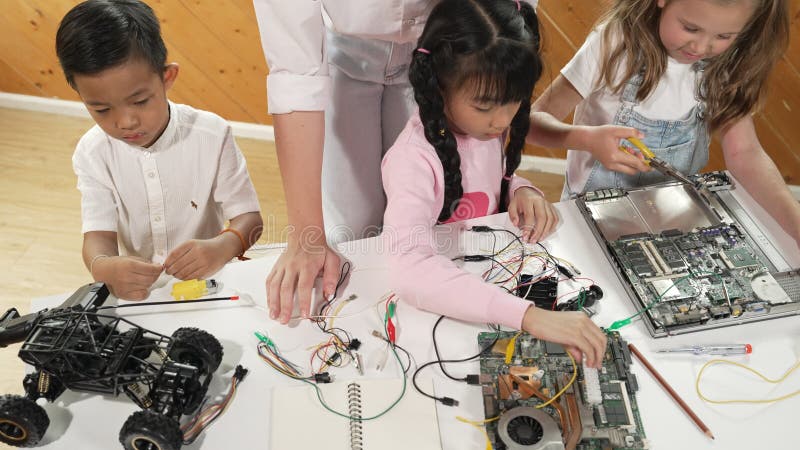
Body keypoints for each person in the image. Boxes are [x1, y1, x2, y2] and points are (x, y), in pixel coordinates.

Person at [253, 0, 538, 325]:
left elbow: (504, 31)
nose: (499, 121)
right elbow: (296, 76)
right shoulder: (411, 157)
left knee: (428, 229)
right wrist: (306, 235)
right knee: (357, 236)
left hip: (451, 60)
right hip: (346, 59)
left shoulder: (472, 98)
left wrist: (517, 183)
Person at [382, 0, 607, 367]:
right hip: (445, 320)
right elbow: (409, 269)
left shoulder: (481, 129)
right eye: (486, 106)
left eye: (513, 101)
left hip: (491, 283)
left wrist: (520, 189)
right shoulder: (412, 161)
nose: (502, 120)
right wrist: (530, 316)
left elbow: (482, 185)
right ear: (440, 87)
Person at [529, 0, 800, 246]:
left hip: (673, 226)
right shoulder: (615, 43)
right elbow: (531, 124)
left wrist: (796, 224)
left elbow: (745, 153)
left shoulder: (723, 64)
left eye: (723, 36)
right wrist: (585, 139)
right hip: (590, 221)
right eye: (690, 28)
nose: (701, 47)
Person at [56, 0, 263, 301]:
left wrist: (224, 246)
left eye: (140, 101)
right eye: (101, 109)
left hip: (210, 281)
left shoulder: (212, 135)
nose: (126, 122)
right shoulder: (92, 153)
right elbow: (97, 238)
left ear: (167, 77)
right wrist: (104, 267)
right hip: (142, 295)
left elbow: (250, 220)